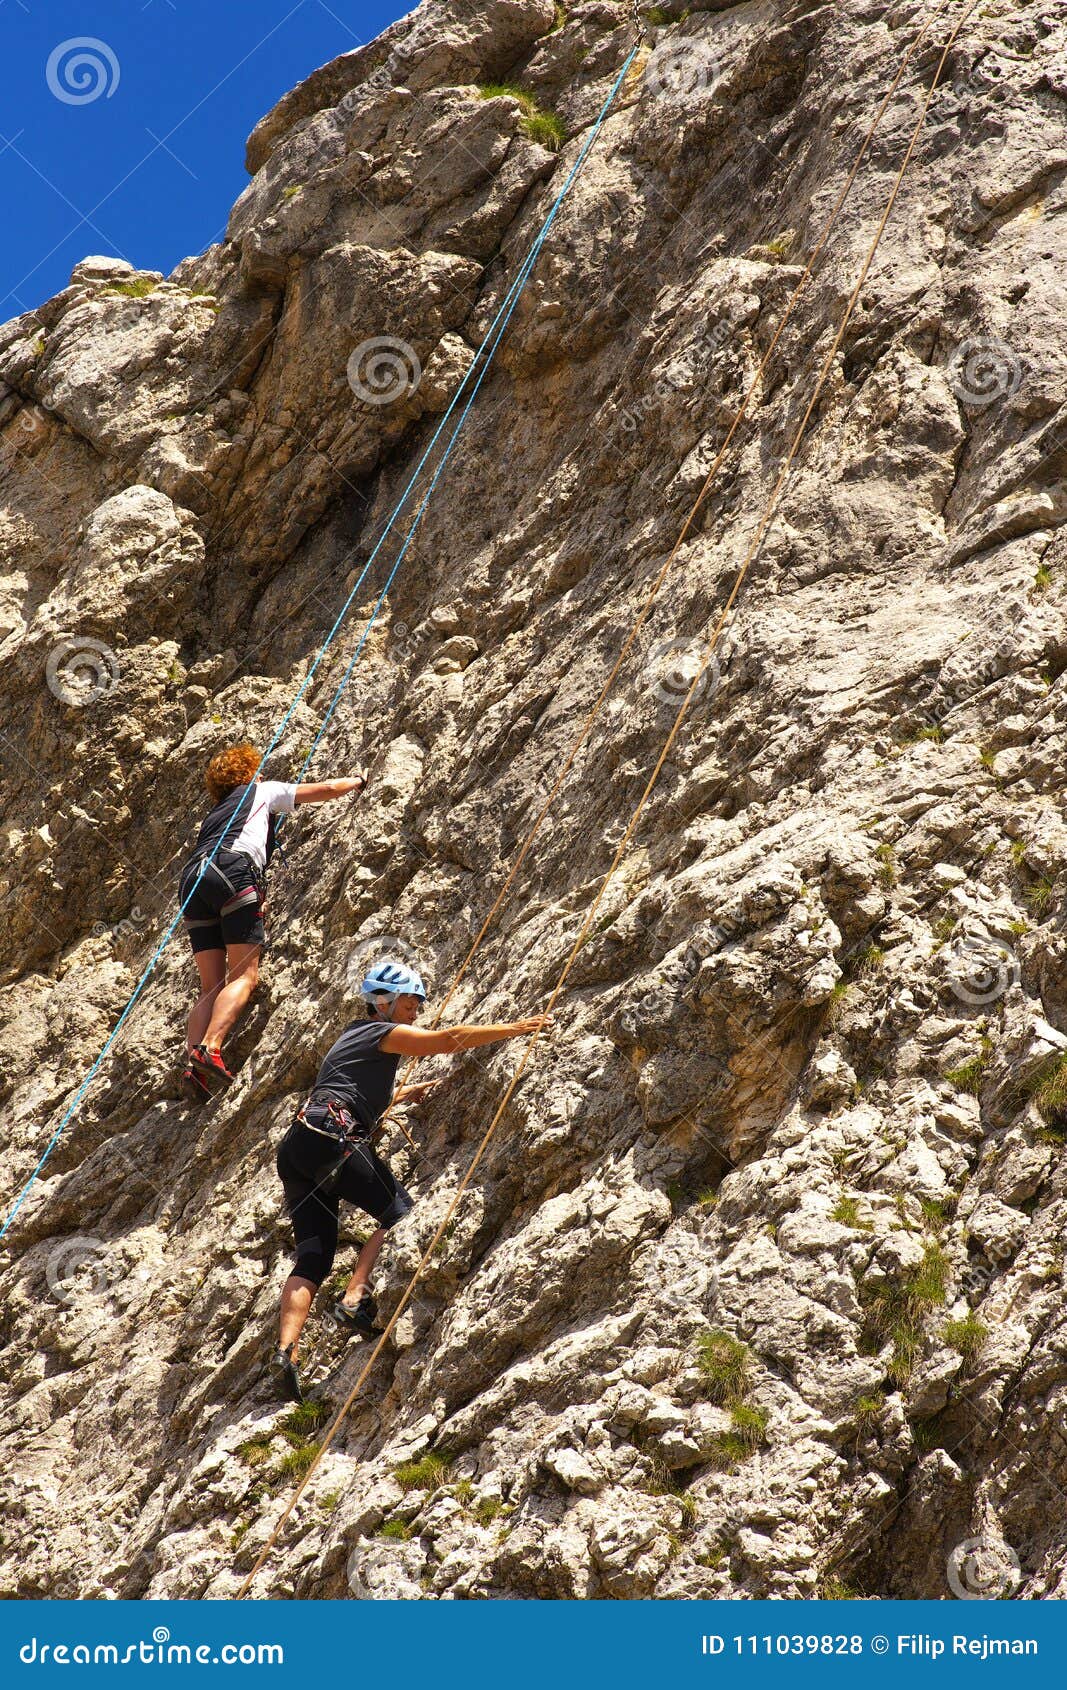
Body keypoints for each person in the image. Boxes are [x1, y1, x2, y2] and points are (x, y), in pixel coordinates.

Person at [271, 959, 551, 1401]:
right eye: (411, 1001)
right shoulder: (380, 1032)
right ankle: (354, 1298)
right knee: (398, 1213)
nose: (417, 1009)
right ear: (384, 1002)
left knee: (312, 1259)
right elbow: (445, 1041)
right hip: (332, 1138)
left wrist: (399, 1095)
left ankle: (286, 1352)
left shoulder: (350, 1038)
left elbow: (350, 1089)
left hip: (299, 1147)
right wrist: (516, 1028)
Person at [177, 743, 366, 1101]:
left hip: (193, 879)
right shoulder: (261, 791)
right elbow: (322, 790)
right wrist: (357, 780)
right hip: (232, 871)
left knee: (209, 986)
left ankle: (192, 1066)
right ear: (249, 773)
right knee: (244, 976)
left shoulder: (216, 813)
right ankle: (210, 1048)